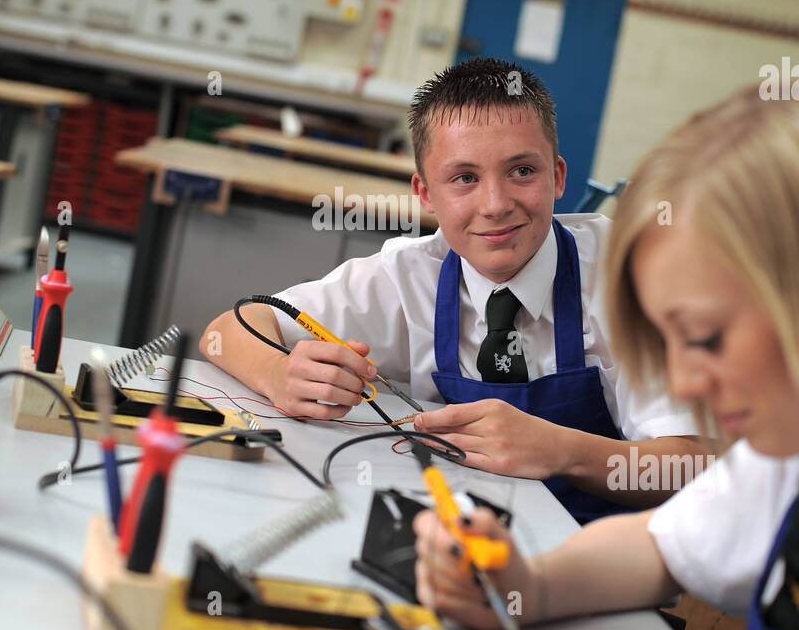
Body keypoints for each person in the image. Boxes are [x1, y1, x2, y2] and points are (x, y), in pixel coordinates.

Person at [413, 83, 799, 630]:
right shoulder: (778, 464)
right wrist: (529, 587)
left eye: (706, 338)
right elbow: (661, 547)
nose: (684, 383)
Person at [201, 57, 702, 523]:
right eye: (464, 178)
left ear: (557, 177)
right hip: (457, 537)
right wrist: (278, 373)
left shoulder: (630, 279)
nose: (495, 204)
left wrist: (563, 452)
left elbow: (689, 467)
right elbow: (228, 330)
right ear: (426, 195)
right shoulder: (410, 277)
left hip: (598, 562)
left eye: (522, 171)